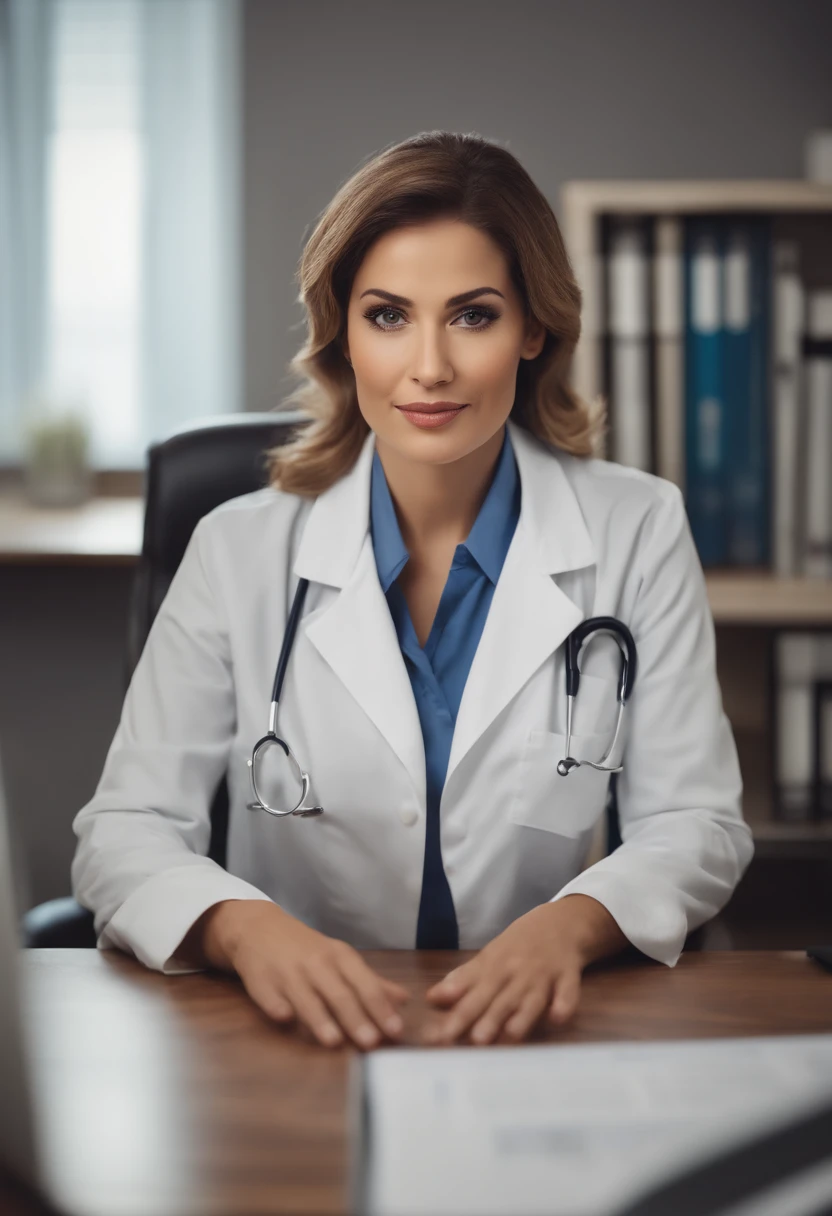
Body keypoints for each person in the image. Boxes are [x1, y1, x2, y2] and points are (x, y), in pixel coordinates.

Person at [71, 131, 754, 1051]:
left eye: (473, 315)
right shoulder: (239, 548)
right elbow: (125, 831)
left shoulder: (636, 529)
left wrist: (572, 926)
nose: (428, 366)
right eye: (388, 316)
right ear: (342, 332)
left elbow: (697, 823)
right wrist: (246, 930)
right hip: (296, 1037)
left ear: (533, 329)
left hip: (534, 1030)